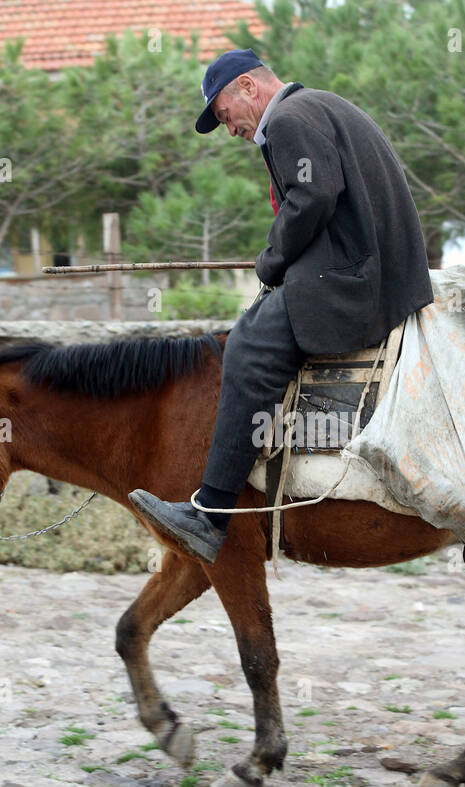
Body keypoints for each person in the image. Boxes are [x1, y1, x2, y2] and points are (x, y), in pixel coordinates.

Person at [129, 49, 433, 563]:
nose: (230, 130)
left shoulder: (290, 118)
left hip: (355, 282)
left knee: (248, 346)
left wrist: (271, 261)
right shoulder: (319, 107)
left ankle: (211, 514)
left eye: (225, 115)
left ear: (247, 87)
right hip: (371, 270)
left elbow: (312, 197)